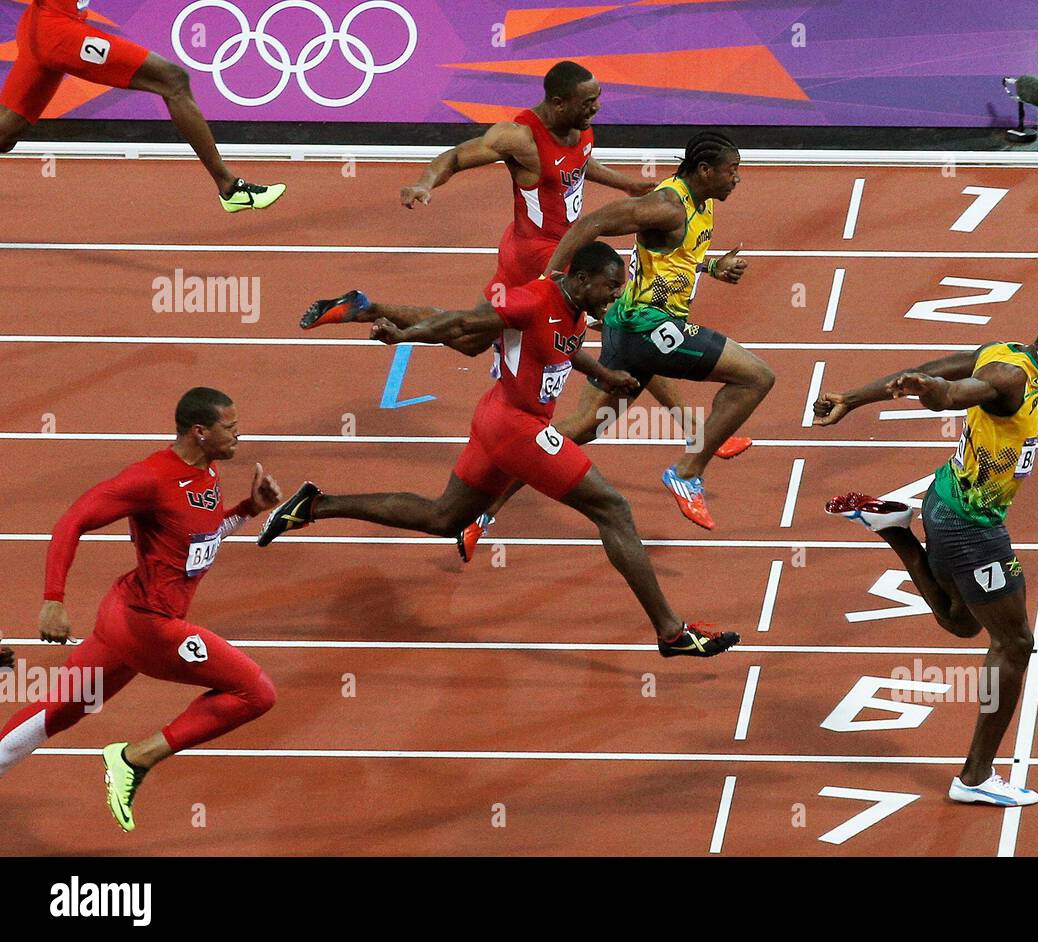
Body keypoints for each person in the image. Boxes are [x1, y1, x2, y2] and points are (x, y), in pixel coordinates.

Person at [264, 242, 740, 658]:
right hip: (518, 429)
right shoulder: (531, 299)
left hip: (498, 420)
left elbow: (561, 344)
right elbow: (463, 322)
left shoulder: (575, 305)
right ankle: (671, 633)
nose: (616, 296)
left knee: (443, 517)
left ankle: (315, 505)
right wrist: (403, 336)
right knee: (614, 509)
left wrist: (604, 372)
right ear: (581, 278)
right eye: (610, 287)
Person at [394, 61, 748, 557]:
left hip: (576, 258)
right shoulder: (518, 137)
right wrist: (427, 184)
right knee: (620, 328)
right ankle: (379, 314)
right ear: (558, 102)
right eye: (588, 101)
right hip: (544, 259)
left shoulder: (580, 129)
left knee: (561, 388)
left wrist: (624, 184)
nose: (597, 108)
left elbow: (579, 168)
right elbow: (455, 156)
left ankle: (483, 511)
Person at [813, 308, 1038, 807]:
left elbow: (945, 366)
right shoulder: (1009, 376)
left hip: (944, 500)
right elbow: (954, 391)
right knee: (1015, 644)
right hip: (971, 527)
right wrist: (933, 393)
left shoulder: (1005, 351)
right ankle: (975, 776)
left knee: (961, 623)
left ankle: (896, 530)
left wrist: (854, 398)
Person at [445, 129, 773, 534]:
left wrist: (712, 268)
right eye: (732, 171)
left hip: (628, 328)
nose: (737, 178)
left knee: (582, 427)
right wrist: (550, 279)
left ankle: (483, 509)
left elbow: (671, 259)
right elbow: (595, 222)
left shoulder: (699, 206)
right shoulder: (667, 205)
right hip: (649, 327)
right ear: (705, 170)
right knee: (757, 377)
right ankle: (687, 471)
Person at [0, 388, 284, 832]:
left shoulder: (207, 473)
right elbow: (72, 520)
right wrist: (53, 599)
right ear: (199, 431)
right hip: (148, 627)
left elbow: (199, 537)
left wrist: (249, 510)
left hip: (123, 621)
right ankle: (133, 758)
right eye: (230, 428)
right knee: (256, 692)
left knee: (55, 713)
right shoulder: (149, 478)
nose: (238, 435)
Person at [0, 0, 285, 211]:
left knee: (6, 133)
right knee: (173, 80)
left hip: (46, 26)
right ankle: (229, 186)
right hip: (57, 33)